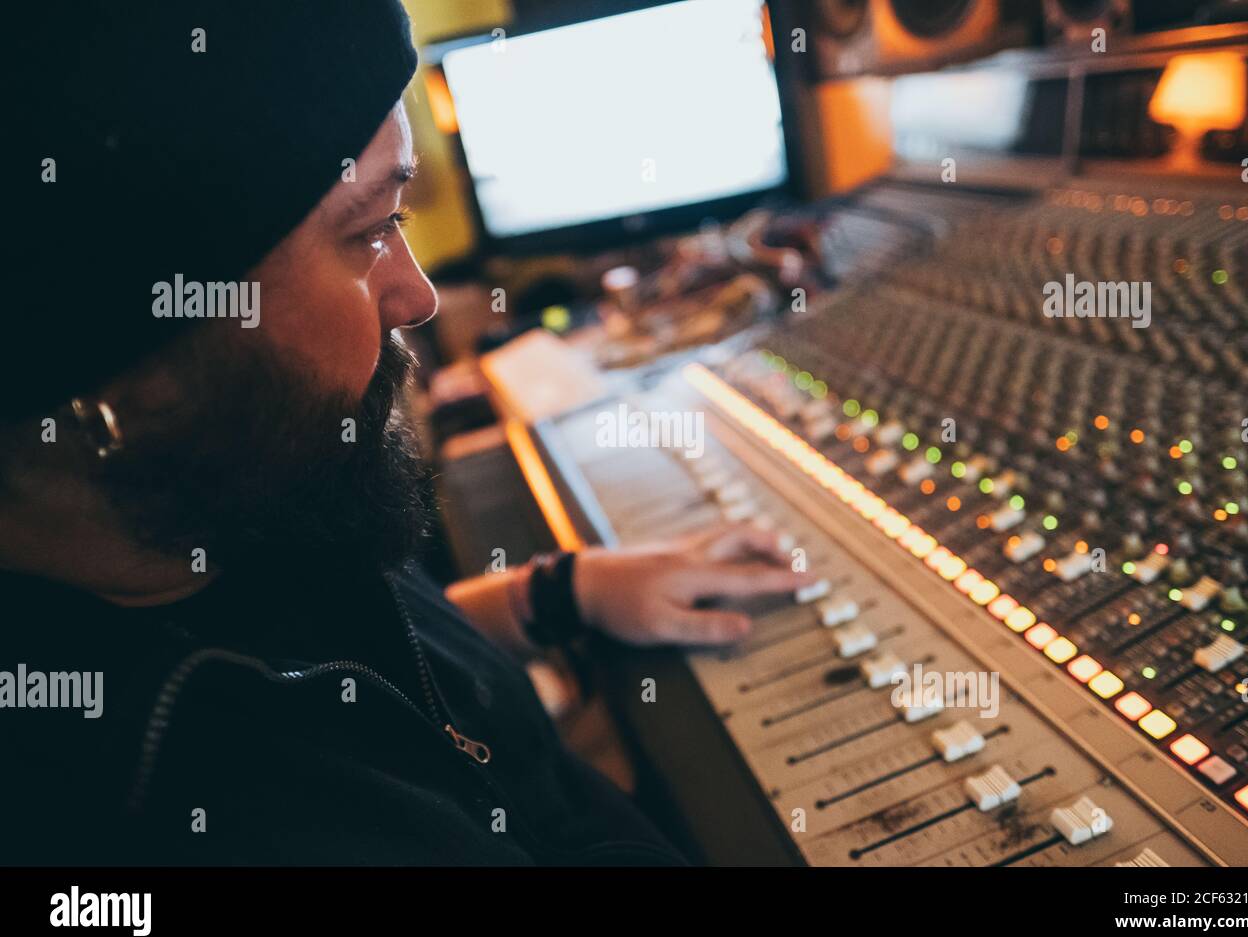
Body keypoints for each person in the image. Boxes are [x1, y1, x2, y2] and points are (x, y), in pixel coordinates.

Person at [1, 1, 804, 864]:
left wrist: (555, 595)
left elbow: (342, 665)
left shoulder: (216, 497)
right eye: (369, 231)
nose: (418, 296)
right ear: (124, 374)